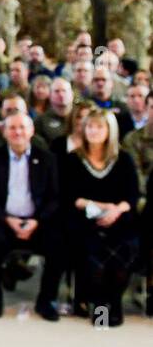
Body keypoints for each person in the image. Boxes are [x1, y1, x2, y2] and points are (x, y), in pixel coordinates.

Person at [0, 113, 61, 321]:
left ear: (31, 131)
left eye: (23, 127)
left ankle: (46, 300)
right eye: (12, 128)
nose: (18, 132)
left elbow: (55, 198)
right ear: (4, 132)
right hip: (3, 221)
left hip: (36, 221)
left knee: (59, 243)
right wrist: (7, 219)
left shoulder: (47, 159)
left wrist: (36, 221)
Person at [59, 110, 139, 326]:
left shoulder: (123, 159)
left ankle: (116, 303)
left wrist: (116, 210)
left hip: (118, 218)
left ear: (109, 131)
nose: (94, 131)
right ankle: (101, 308)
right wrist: (99, 206)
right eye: (90, 126)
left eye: (99, 127)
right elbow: (68, 196)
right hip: (84, 218)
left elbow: (131, 195)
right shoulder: (73, 159)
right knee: (94, 256)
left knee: (124, 248)